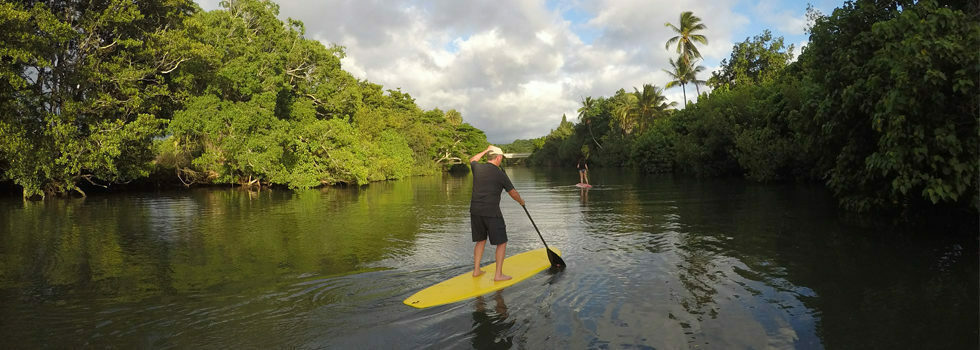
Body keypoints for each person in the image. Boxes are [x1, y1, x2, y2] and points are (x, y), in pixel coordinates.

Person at [469, 145, 525, 281]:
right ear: (498, 157)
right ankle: (498, 275)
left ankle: (476, 270)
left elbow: (472, 159)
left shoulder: (478, 168)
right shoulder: (500, 174)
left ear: (489, 156)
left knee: (480, 240)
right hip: (492, 212)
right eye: (501, 158)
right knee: (502, 242)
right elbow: (513, 193)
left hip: (475, 211)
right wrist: (521, 202)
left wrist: (485, 150)